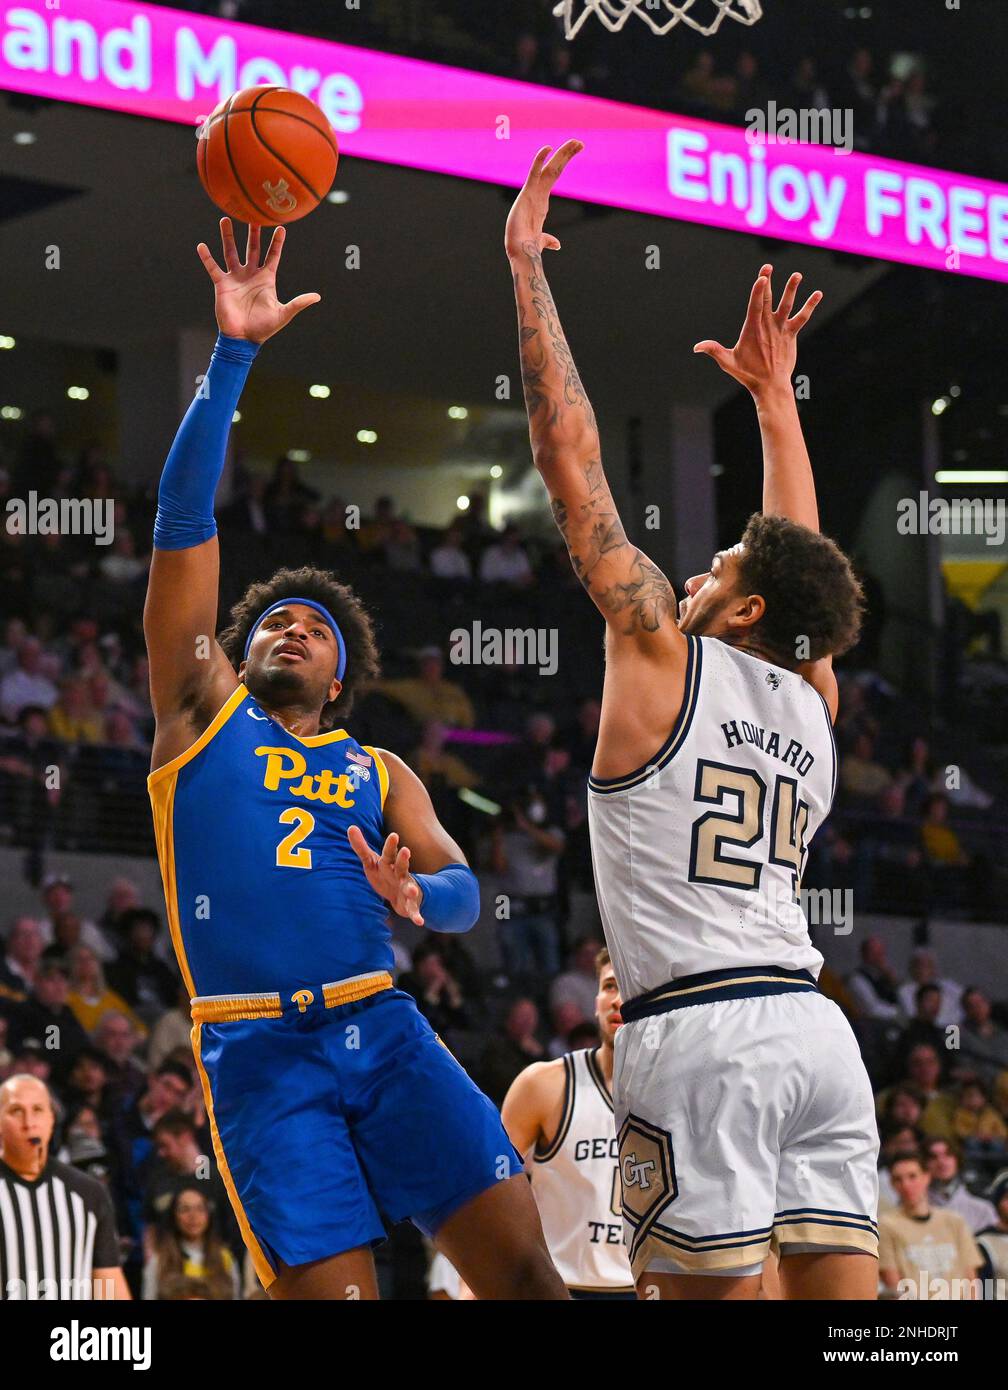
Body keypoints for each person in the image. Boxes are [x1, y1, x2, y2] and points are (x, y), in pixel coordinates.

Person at [142, 218, 565, 1301]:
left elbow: (468, 894)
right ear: (238, 653)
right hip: (260, 1058)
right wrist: (233, 353)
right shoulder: (200, 712)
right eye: (272, 620)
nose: (291, 627)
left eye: (314, 627)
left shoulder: (381, 769)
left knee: (530, 1280)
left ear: (339, 676)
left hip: (387, 1027)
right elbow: (182, 514)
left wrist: (419, 891)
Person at [506, 144, 877, 1299]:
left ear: (746, 606)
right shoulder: (813, 697)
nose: (699, 569)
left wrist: (526, 271)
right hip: (819, 1038)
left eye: (719, 564)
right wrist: (774, 404)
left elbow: (569, 461)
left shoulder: (658, 652)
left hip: (701, 1037)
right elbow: (799, 561)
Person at [502, 947, 635, 1297]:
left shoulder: (682, 1093)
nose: (617, 999)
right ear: (594, 1002)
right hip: (561, 1286)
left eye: (630, 986)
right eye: (608, 986)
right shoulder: (543, 1085)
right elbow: (489, 1193)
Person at [0, 1074, 130, 1299]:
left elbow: (109, 1286)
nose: (29, 1122)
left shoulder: (88, 1193)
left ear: (52, 1120)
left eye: (38, 1110)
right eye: (16, 1111)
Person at [878, 1152, 981, 1299]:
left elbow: (971, 1279)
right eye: (898, 1179)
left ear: (926, 1177)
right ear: (892, 1185)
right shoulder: (886, 1225)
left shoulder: (954, 1221)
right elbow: (894, 1286)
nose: (906, 1184)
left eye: (912, 1176)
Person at [142, 1186, 238, 1300]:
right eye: (185, 1209)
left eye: (200, 1209)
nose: (193, 1216)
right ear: (173, 1216)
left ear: (209, 1215)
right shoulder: (159, 1260)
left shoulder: (225, 1258)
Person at [922, 1137, 999, 1233]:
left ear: (957, 1159)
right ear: (923, 1163)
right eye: (933, 1157)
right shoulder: (914, 1206)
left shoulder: (983, 1209)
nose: (941, 1162)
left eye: (948, 1155)